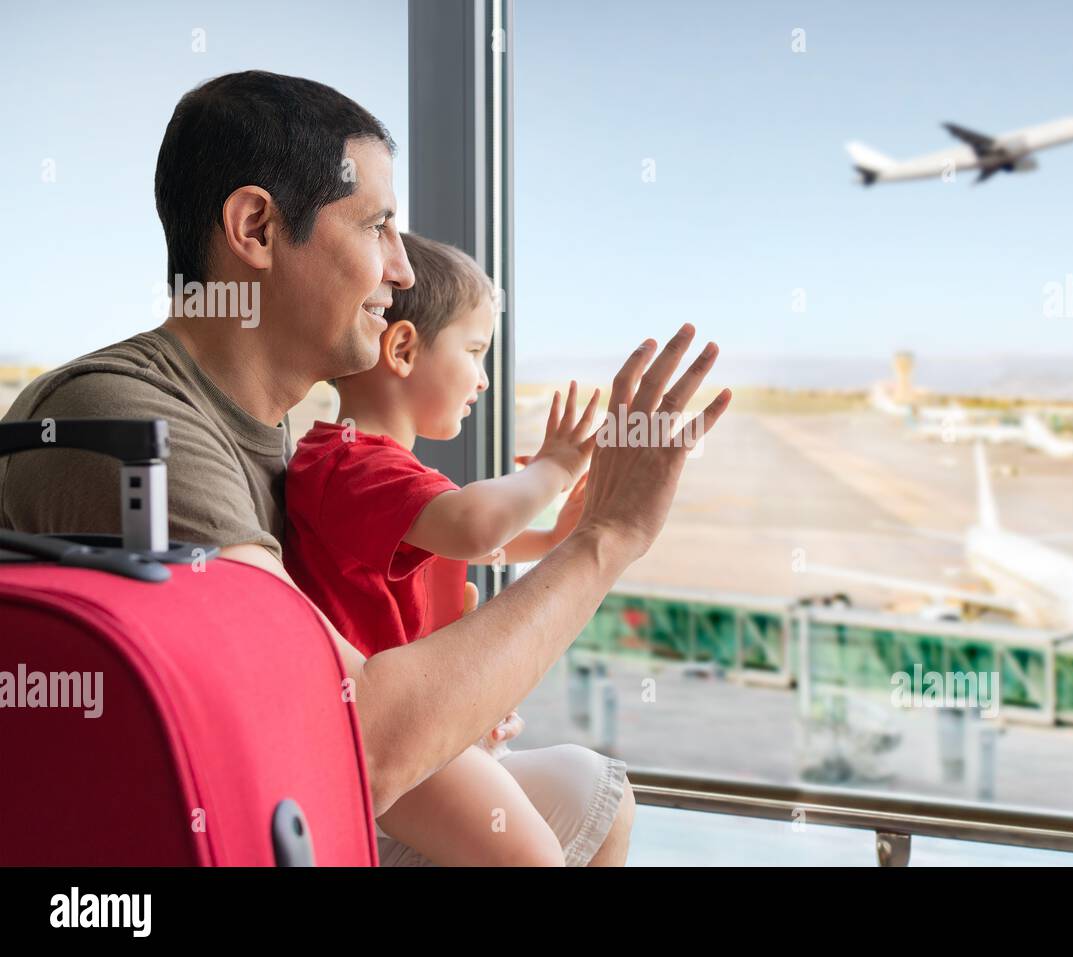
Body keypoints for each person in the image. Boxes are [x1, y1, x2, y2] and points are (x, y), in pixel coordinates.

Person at [0, 71, 730, 864]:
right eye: (377, 227)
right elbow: (357, 738)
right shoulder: (119, 422)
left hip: (271, 806)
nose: (402, 271)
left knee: (596, 792)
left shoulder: (276, 440)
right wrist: (607, 536)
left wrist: (464, 688)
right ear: (257, 228)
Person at [285, 232, 621, 866]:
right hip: (379, 739)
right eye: (474, 351)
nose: (484, 378)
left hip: (421, 723)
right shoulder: (349, 466)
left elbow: (453, 538)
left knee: (608, 804)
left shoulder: (371, 470)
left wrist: (555, 536)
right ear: (404, 348)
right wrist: (552, 468)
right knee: (530, 857)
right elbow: (471, 525)